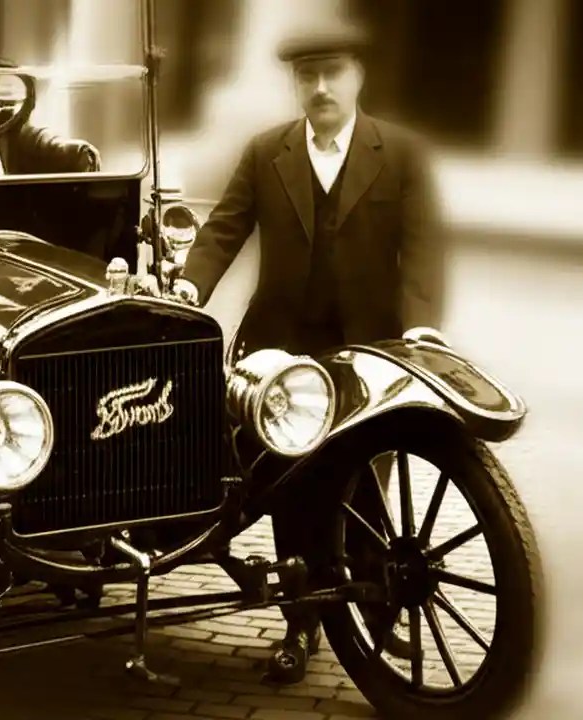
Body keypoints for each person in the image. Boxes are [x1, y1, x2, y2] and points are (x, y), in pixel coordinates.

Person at [173, 15, 448, 684]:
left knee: (364, 487)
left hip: (366, 351)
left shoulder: (401, 153)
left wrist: (420, 325)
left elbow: (424, 247)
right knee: (292, 490)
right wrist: (189, 285)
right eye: (307, 76)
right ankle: (300, 627)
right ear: (295, 84)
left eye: (333, 73)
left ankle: (381, 620)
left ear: (358, 77)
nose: (320, 86)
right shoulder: (268, 151)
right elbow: (224, 229)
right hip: (282, 350)